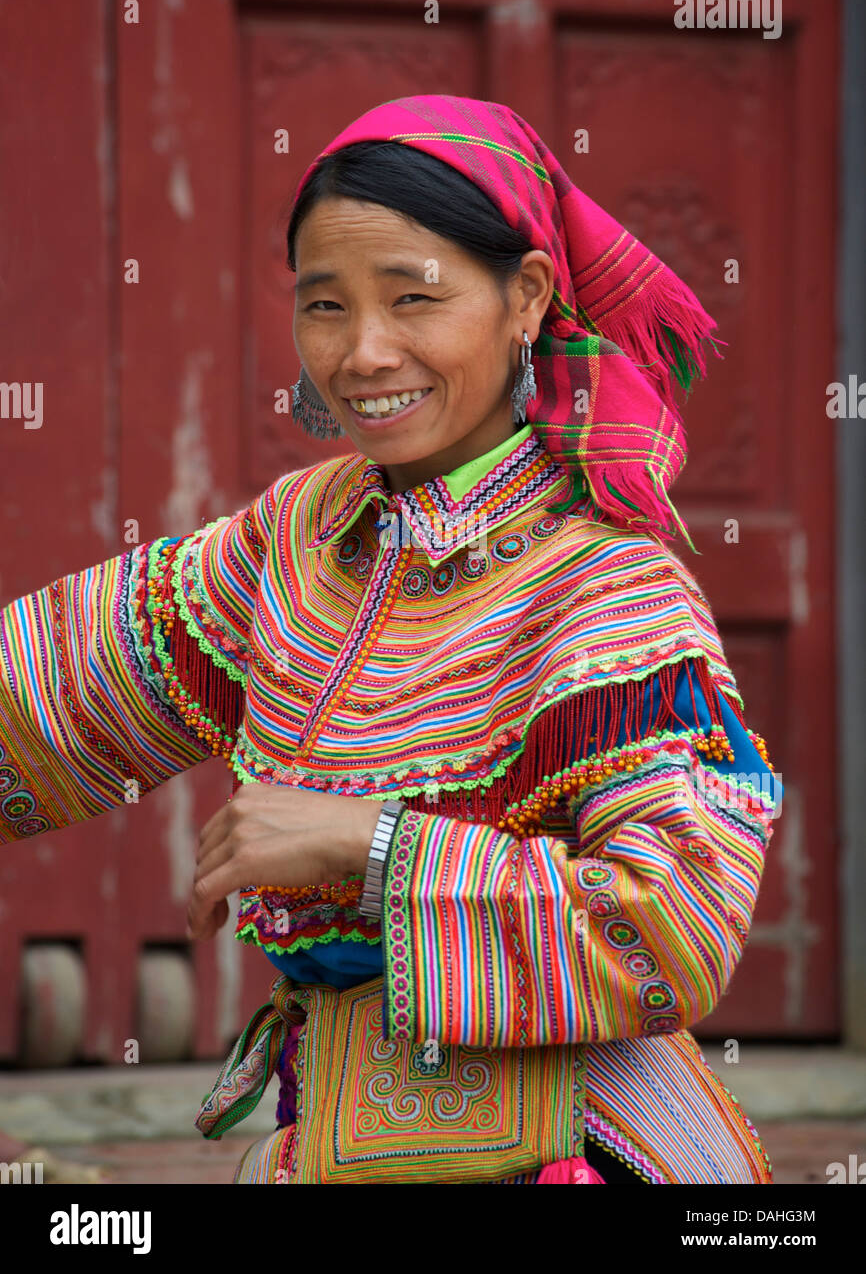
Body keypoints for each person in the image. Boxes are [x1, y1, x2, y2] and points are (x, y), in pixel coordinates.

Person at [0, 93, 780, 1185]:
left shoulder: (607, 586)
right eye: (324, 306)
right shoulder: (301, 536)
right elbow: (49, 697)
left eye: (414, 298)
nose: (364, 353)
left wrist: (365, 847)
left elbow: (672, 932)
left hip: (575, 1148)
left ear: (526, 297)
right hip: (334, 1125)